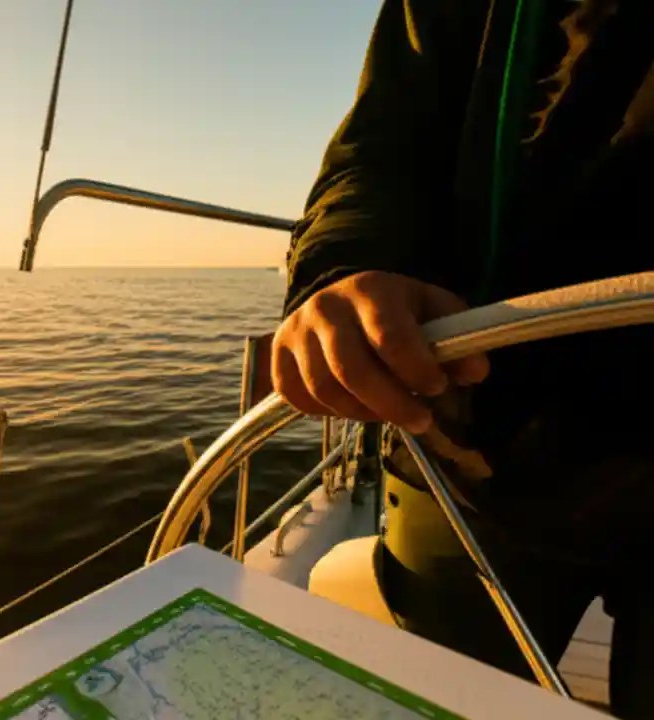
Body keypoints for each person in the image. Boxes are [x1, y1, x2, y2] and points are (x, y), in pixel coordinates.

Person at [272, 0, 653, 716]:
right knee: (429, 699)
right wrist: (345, 266)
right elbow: (383, 144)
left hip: (480, 419)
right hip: (473, 445)